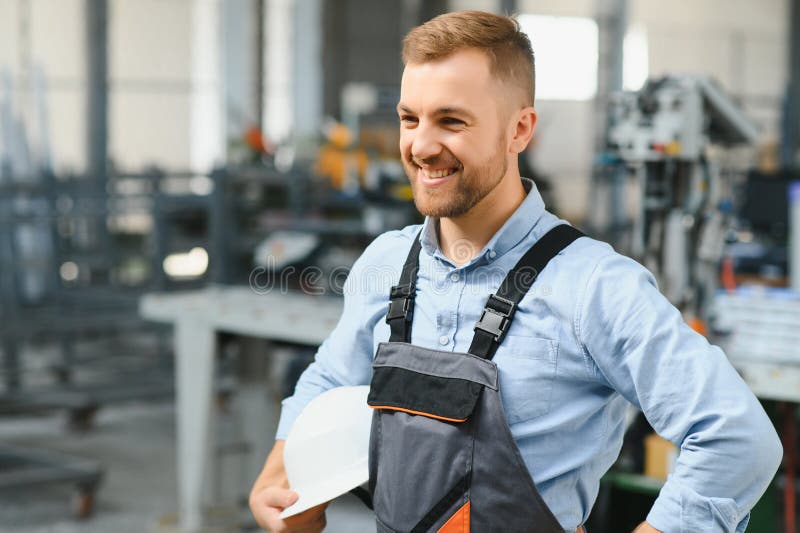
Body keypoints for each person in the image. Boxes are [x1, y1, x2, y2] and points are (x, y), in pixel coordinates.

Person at [249, 10, 782, 533]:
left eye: (452, 121)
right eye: (410, 119)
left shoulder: (592, 286)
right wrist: (277, 474)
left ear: (520, 130)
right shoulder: (387, 261)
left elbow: (737, 438)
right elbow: (330, 379)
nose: (421, 146)